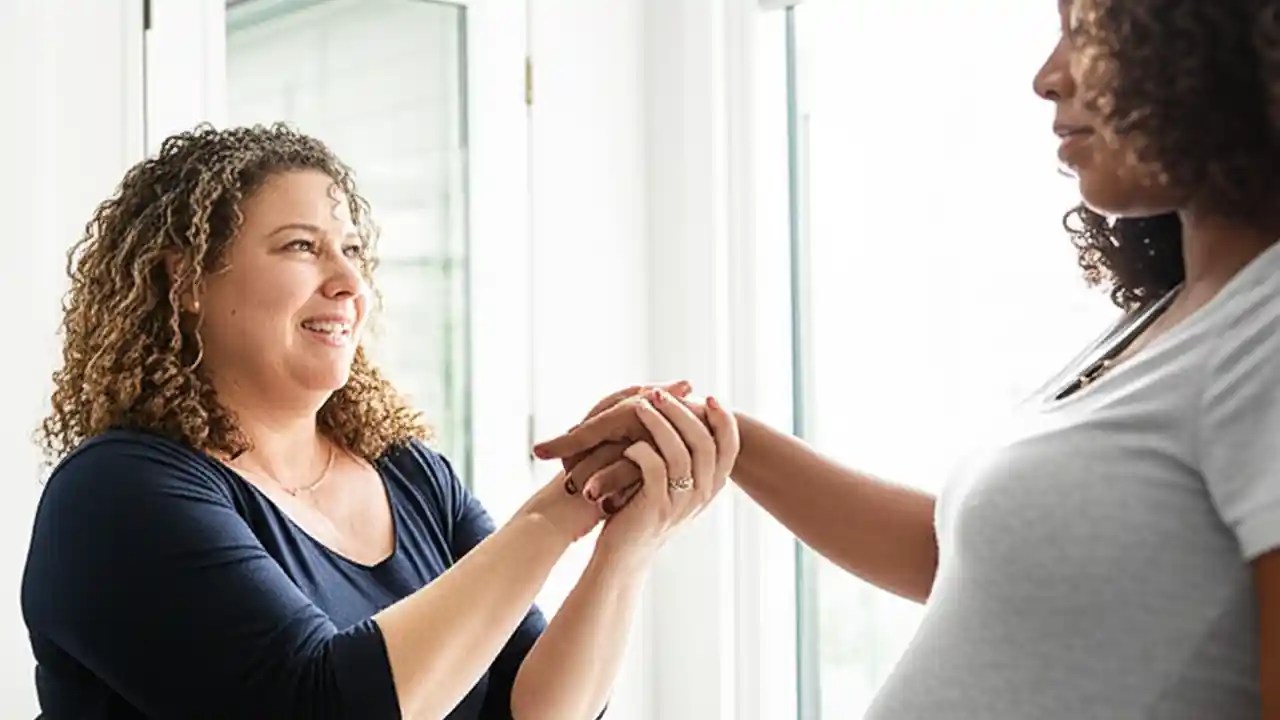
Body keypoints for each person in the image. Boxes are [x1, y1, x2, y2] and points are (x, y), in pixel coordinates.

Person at [533, 1, 1280, 717]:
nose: (1050, 76)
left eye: (1090, 27)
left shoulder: (1265, 330)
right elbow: (967, 560)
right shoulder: (1176, 315)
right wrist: (725, 440)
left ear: (1219, 45)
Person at [20, 123, 741, 720]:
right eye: (301, 246)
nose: (348, 282)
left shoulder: (411, 477)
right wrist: (559, 510)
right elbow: (322, 707)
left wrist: (627, 538)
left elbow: (539, 710)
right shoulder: (114, 496)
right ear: (183, 282)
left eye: (352, 251)